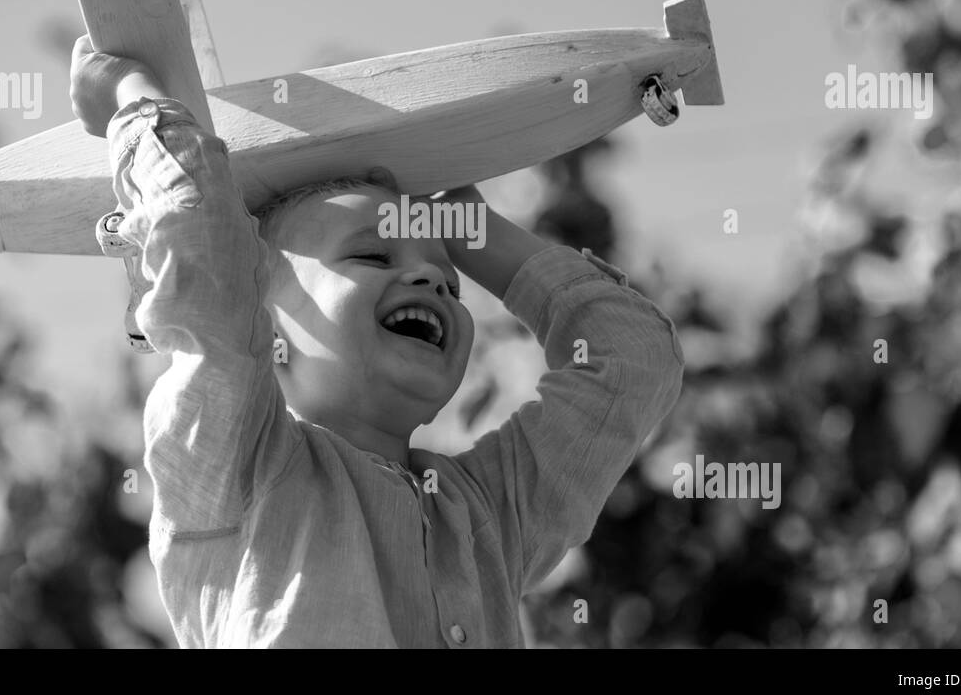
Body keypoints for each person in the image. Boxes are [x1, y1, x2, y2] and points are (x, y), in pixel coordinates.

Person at [70, 36, 685, 647]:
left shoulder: (489, 516)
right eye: (370, 253)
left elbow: (632, 361)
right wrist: (134, 101)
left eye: (449, 279)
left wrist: (473, 234)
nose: (428, 278)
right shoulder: (237, 463)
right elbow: (207, 263)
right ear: (263, 322)